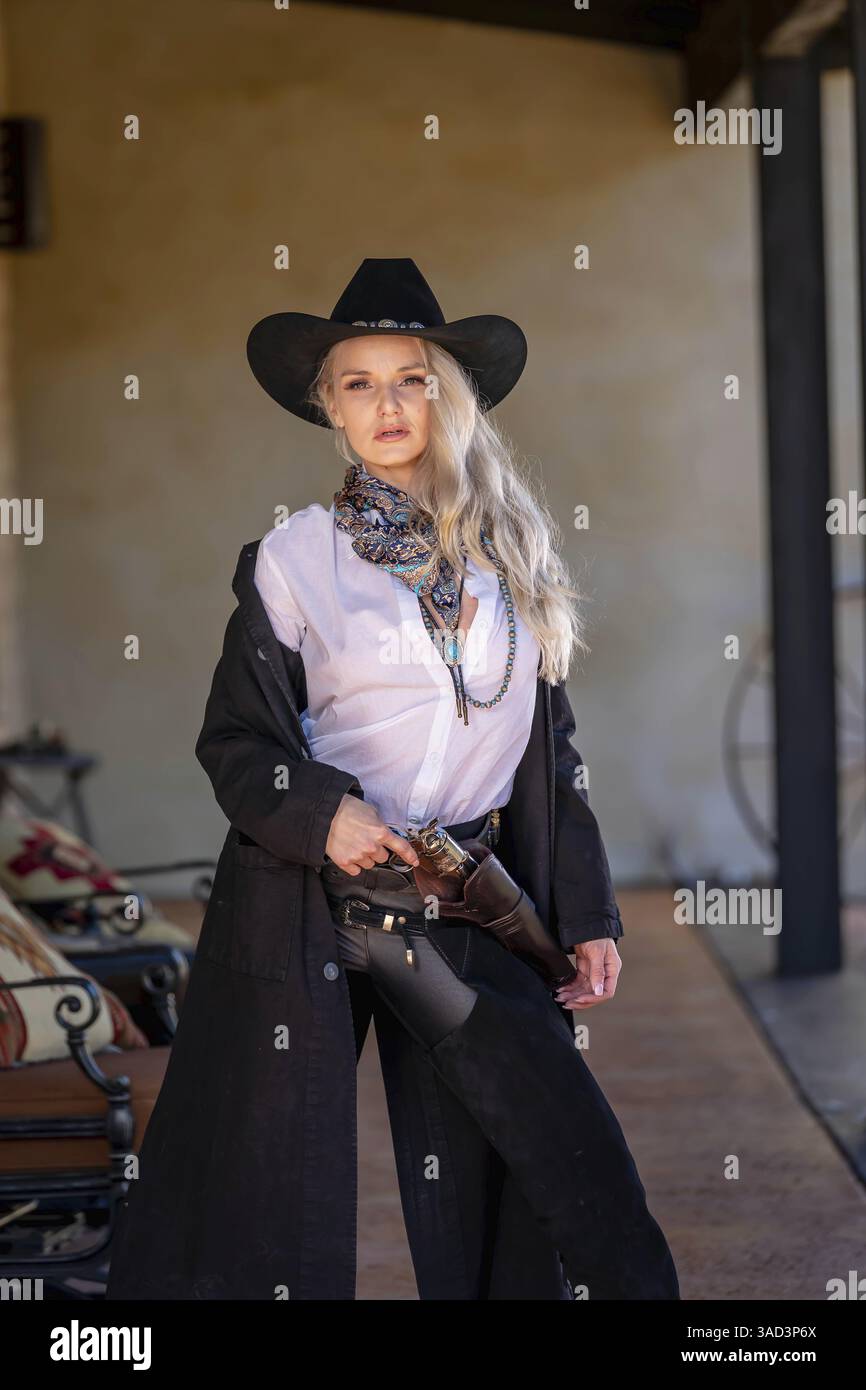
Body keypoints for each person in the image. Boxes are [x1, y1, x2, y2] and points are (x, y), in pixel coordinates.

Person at [105, 257, 679, 1301]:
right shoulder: (294, 559)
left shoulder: (512, 558)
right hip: (310, 899)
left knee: (536, 1151)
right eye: (358, 382)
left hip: (463, 896)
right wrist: (324, 816)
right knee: (264, 1182)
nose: (386, 403)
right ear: (329, 406)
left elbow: (549, 754)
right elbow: (235, 739)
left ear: (445, 394)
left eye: (409, 376)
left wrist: (588, 910)